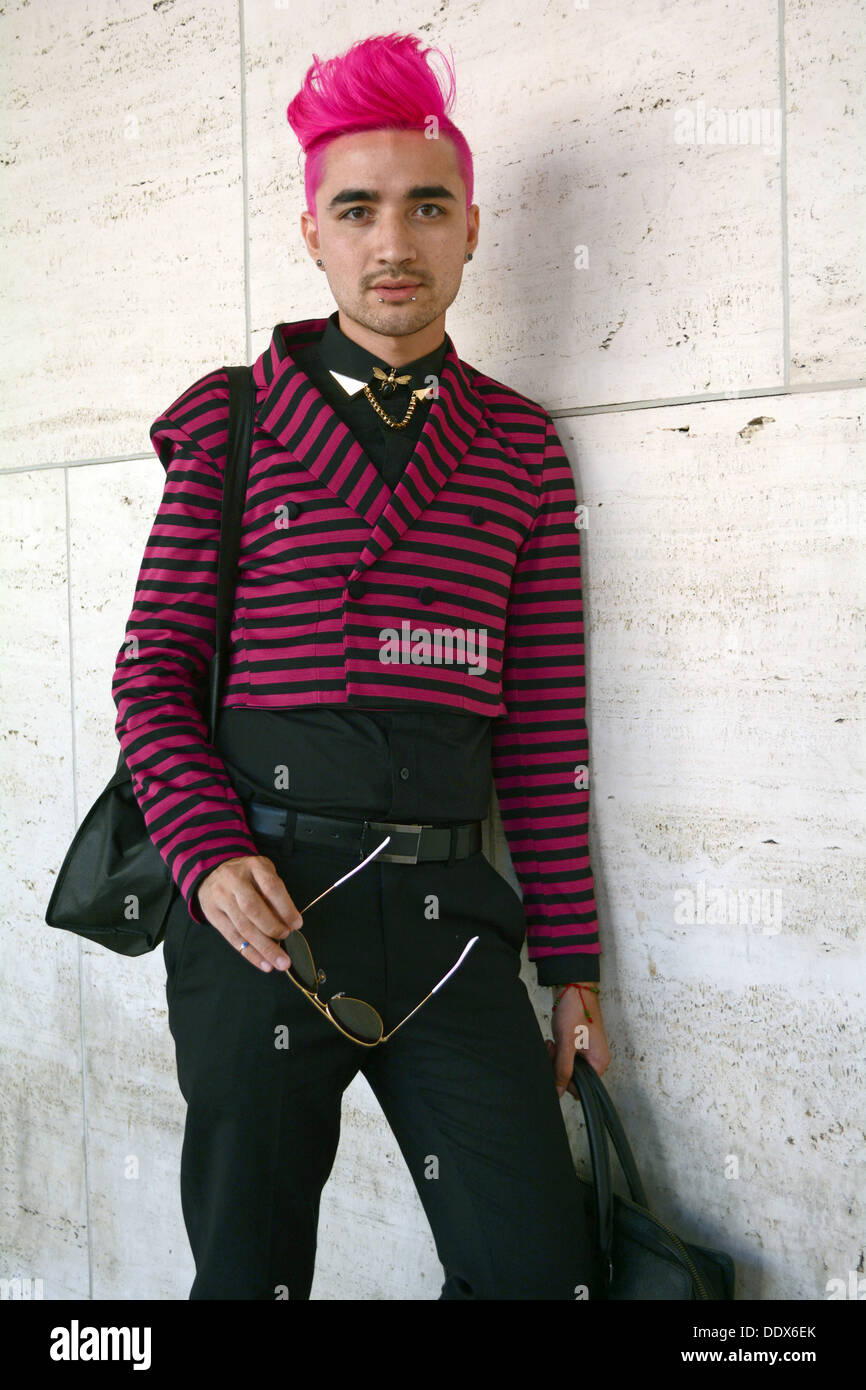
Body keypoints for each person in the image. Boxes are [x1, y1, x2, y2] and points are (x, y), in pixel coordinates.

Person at [112, 31, 611, 1300]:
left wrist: (571, 965)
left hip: (450, 928)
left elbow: (545, 726)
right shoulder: (234, 419)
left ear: (471, 230)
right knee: (249, 1271)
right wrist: (210, 854)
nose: (393, 241)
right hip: (264, 912)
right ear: (313, 233)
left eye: (425, 206)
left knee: (532, 1268)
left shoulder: (518, 450)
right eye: (359, 208)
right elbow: (153, 672)